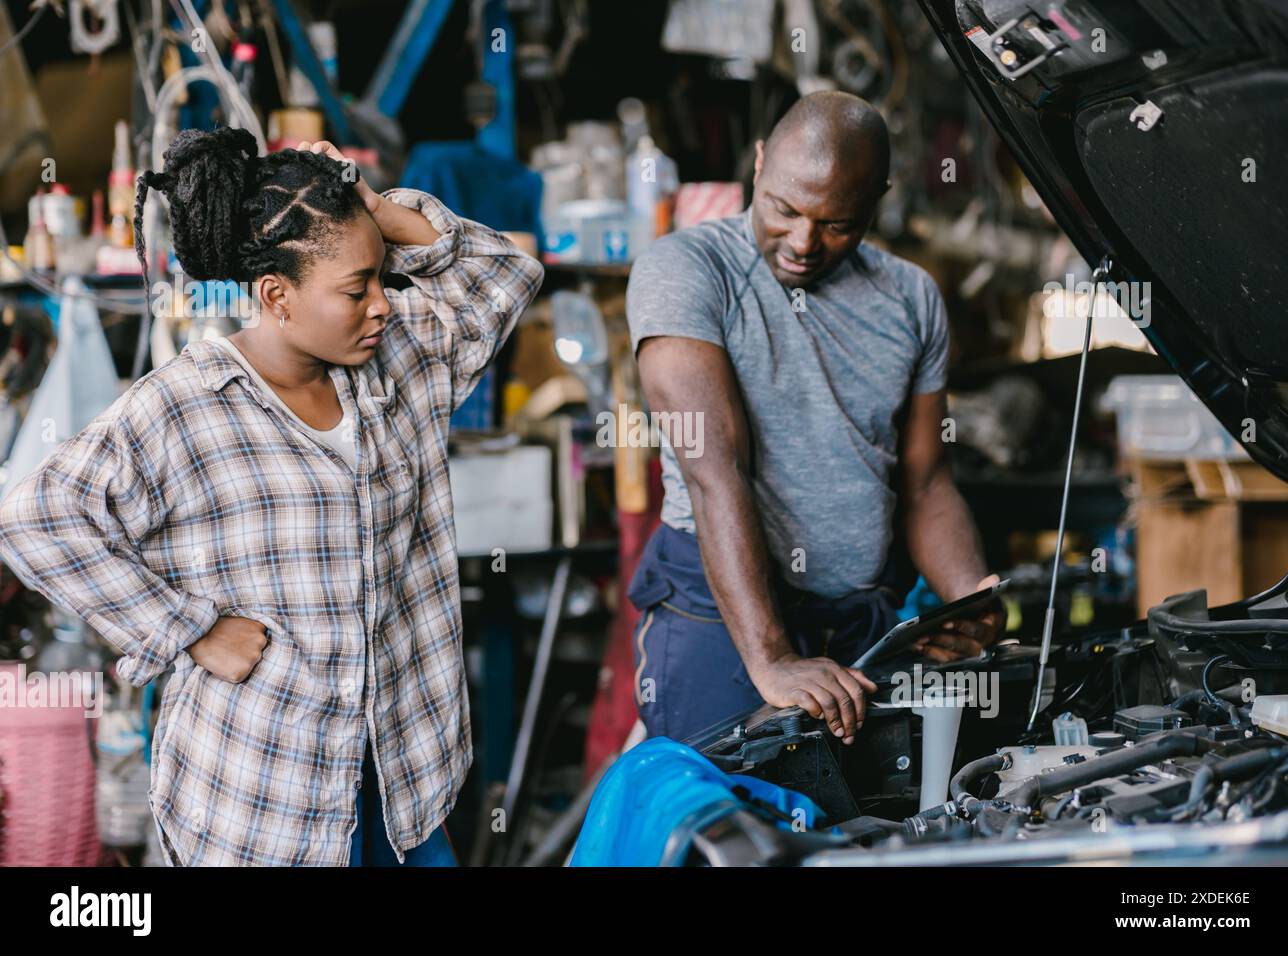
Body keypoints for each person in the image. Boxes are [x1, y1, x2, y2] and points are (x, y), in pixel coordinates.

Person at [0, 127, 543, 865]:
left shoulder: (402, 362)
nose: (382, 304)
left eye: (382, 278)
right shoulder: (188, 407)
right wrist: (188, 629)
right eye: (356, 289)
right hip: (262, 804)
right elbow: (37, 518)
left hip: (402, 786)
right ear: (275, 295)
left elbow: (507, 269)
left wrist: (376, 210)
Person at [626, 91, 1004, 744]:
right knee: (731, 824)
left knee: (870, 827)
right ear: (760, 162)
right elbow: (715, 470)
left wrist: (969, 597)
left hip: (861, 623)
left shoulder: (911, 298)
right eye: (784, 209)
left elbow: (925, 483)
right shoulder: (687, 270)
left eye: (837, 223)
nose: (803, 242)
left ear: (878, 198)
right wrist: (772, 659)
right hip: (722, 619)